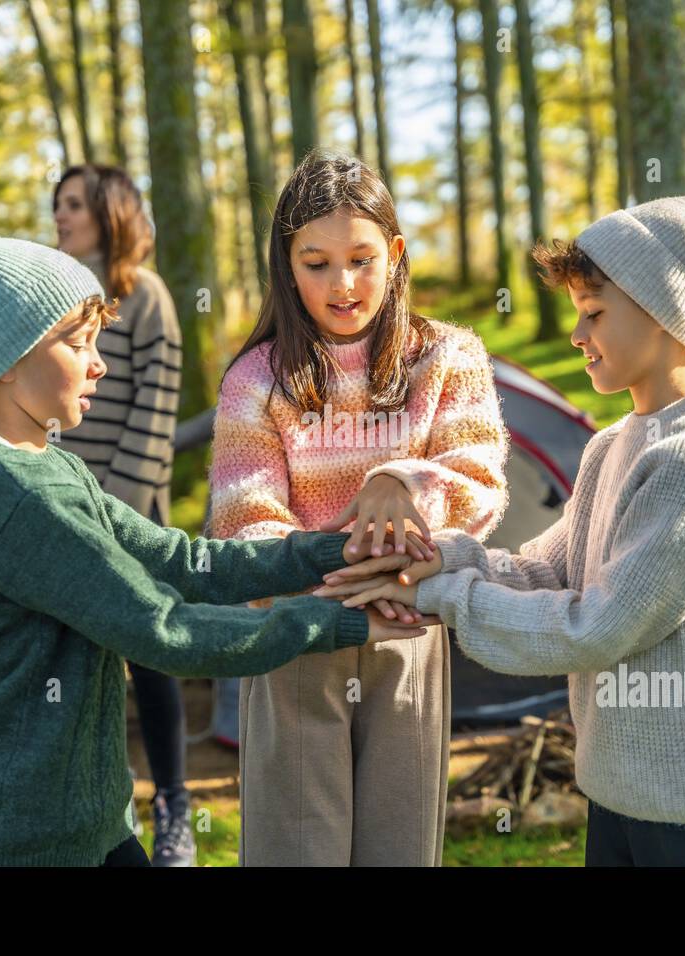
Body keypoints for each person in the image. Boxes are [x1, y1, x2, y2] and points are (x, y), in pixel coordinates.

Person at [0, 234, 429, 866]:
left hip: (89, 827)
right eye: (77, 344)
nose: (99, 363)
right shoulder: (14, 494)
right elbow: (161, 629)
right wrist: (339, 622)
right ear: (8, 360)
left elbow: (182, 562)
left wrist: (326, 552)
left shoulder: (54, 468)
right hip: (9, 842)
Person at [318, 195, 685, 867]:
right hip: (621, 794)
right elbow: (546, 570)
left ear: (666, 312)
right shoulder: (613, 445)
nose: (576, 334)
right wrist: (438, 559)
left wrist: (441, 598)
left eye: (595, 313)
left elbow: (601, 625)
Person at [209, 149, 508, 866]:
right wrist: (349, 589)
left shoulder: (448, 358)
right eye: (316, 264)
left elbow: (478, 481)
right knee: (297, 849)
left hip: (407, 637)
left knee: (398, 847)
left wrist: (402, 481)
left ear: (396, 254)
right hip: (293, 641)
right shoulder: (256, 379)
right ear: (286, 264)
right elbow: (244, 518)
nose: (343, 285)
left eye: (362, 259)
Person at [52, 163, 193, 866]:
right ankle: (107, 808)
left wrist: (113, 516)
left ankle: (175, 807)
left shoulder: (148, 296)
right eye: (58, 206)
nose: (61, 217)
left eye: (73, 204)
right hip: (66, 512)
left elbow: (155, 411)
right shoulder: (63, 299)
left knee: (151, 657)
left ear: (111, 212)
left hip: (129, 511)